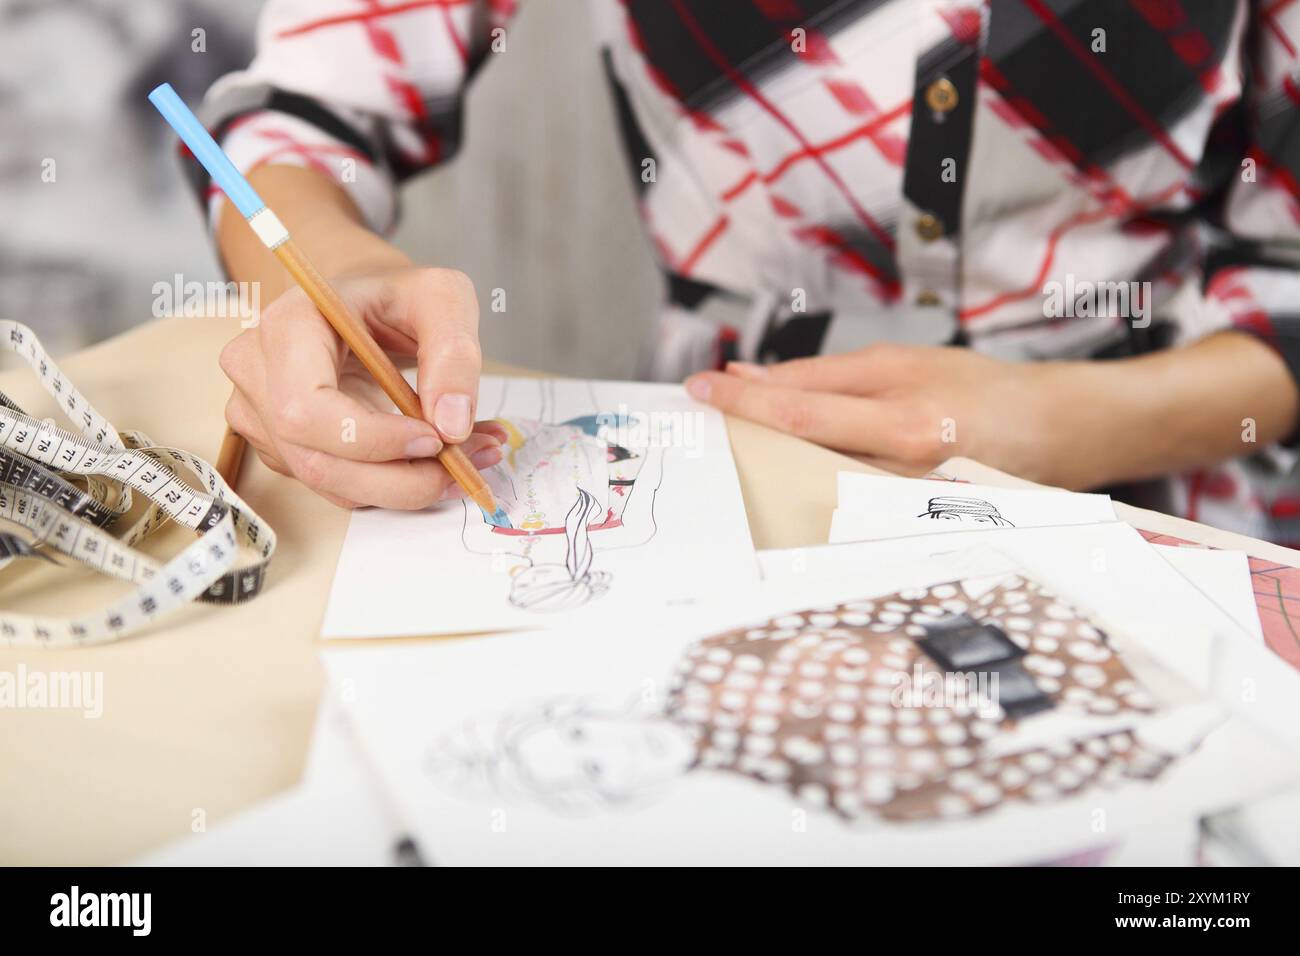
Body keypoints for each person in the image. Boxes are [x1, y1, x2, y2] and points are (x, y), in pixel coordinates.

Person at [190, 1, 1300, 544]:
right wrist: (324, 274)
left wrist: (1068, 422)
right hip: (726, 506)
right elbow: (299, 112)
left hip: (1178, 496)